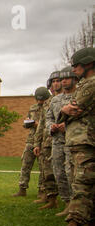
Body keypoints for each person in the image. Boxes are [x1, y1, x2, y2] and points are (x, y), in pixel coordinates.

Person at [53, 47, 95, 226]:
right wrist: (65, 110)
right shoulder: (85, 85)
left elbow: (74, 109)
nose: (73, 69)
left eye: (76, 65)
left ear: (87, 64)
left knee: (81, 183)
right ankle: (88, 225)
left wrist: (64, 109)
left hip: (85, 141)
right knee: (86, 183)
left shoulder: (90, 84)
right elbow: (67, 112)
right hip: (81, 141)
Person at [46, 66, 78, 216]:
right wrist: (51, 127)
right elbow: (48, 118)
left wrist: (68, 125)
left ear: (74, 79)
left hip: (74, 141)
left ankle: (76, 205)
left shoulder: (80, 96)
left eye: (66, 78)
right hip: (57, 141)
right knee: (59, 172)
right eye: (61, 79)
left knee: (72, 172)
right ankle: (67, 202)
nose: (63, 82)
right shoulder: (55, 100)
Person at [12, 85, 50, 197]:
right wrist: (27, 123)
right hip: (31, 140)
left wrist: (37, 124)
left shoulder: (49, 108)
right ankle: (22, 188)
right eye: (38, 99)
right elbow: (26, 123)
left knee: (43, 166)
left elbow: (48, 124)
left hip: (44, 140)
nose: (40, 101)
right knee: (25, 164)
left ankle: (41, 190)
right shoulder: (32, 108)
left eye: (42, 99)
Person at [33, 84, 59, 209]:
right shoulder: (44, 106)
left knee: (58, 172)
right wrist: (37, 143)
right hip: (45, 143)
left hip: (57, 141)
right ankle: (49, 197)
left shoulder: (56, 101)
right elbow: (41, 126)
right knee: (45, 171)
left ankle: (66, 202)